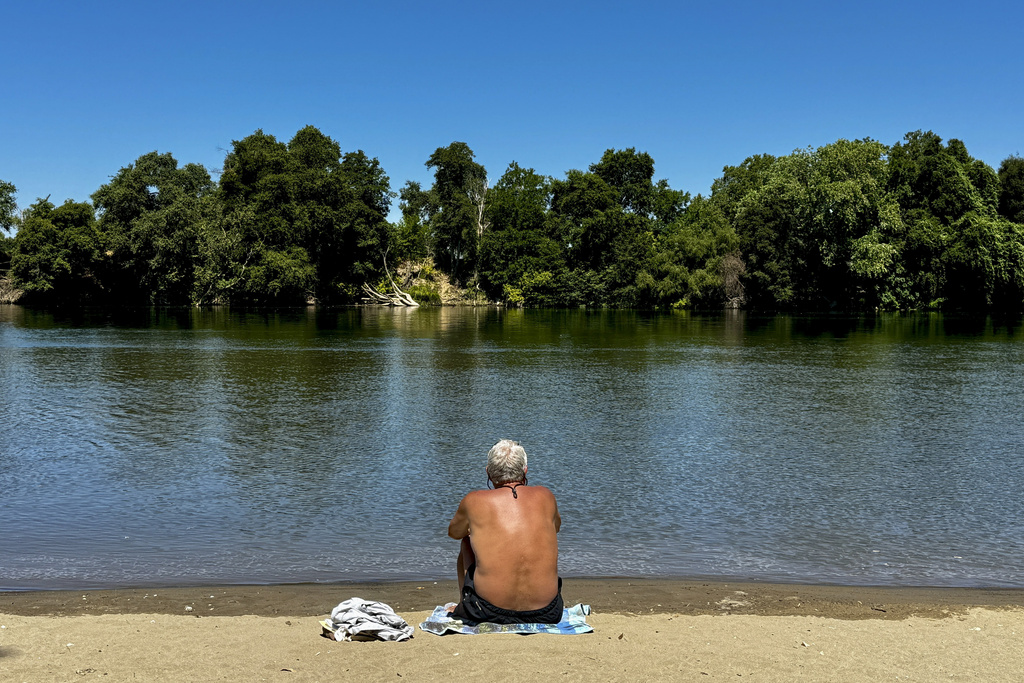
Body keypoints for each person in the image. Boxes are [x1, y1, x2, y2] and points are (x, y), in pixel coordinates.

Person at [446, 439, 563, 624]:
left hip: (484, 611)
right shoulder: (546, 496)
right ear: (525, 470)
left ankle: (464, 604)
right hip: (549, 612)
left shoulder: (474, 500)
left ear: (488, 473)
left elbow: (454, 532)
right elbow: (556, 528)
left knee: (466, 540)